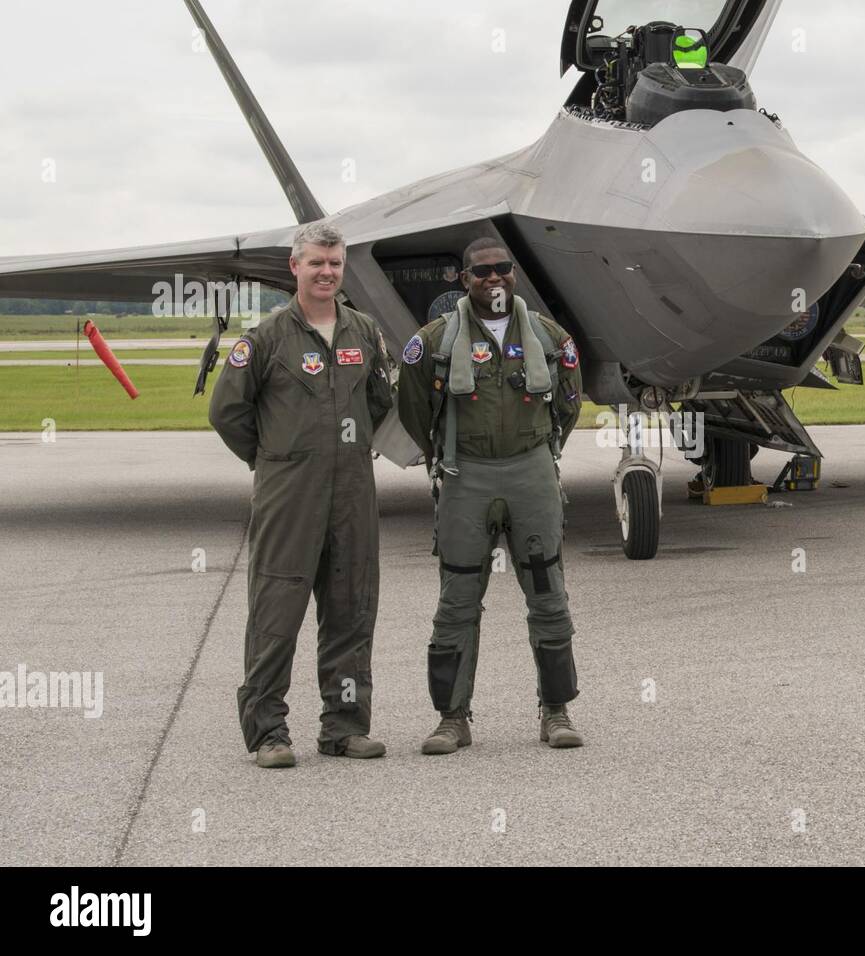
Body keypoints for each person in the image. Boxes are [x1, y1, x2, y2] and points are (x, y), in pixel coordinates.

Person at [209, 222, 394, 768]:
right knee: (276, 612)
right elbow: (227, 412)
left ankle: (344, 728)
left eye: (335, 263)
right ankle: (269, 732)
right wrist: (274, 460)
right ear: (295, 266)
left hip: (353, 494)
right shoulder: (265, 339)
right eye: (316, 262)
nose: (326, 272)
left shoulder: (363, 333)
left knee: (351, 610)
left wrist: (346, 450)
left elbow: (380, 402)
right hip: (289, 498)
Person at [396, 237, 584, 752]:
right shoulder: (435, 340)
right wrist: (445, 451)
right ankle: (452, 718)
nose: (493, 278)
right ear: (465, 279)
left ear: (513, 274)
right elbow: (413, 407)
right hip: (466, 474)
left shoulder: (548, 337)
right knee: (456, 600)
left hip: (531, 472)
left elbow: (569, 401)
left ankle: (556, 711)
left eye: (502, 268)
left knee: (548, 595)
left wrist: (542, 453)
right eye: (482, 272)